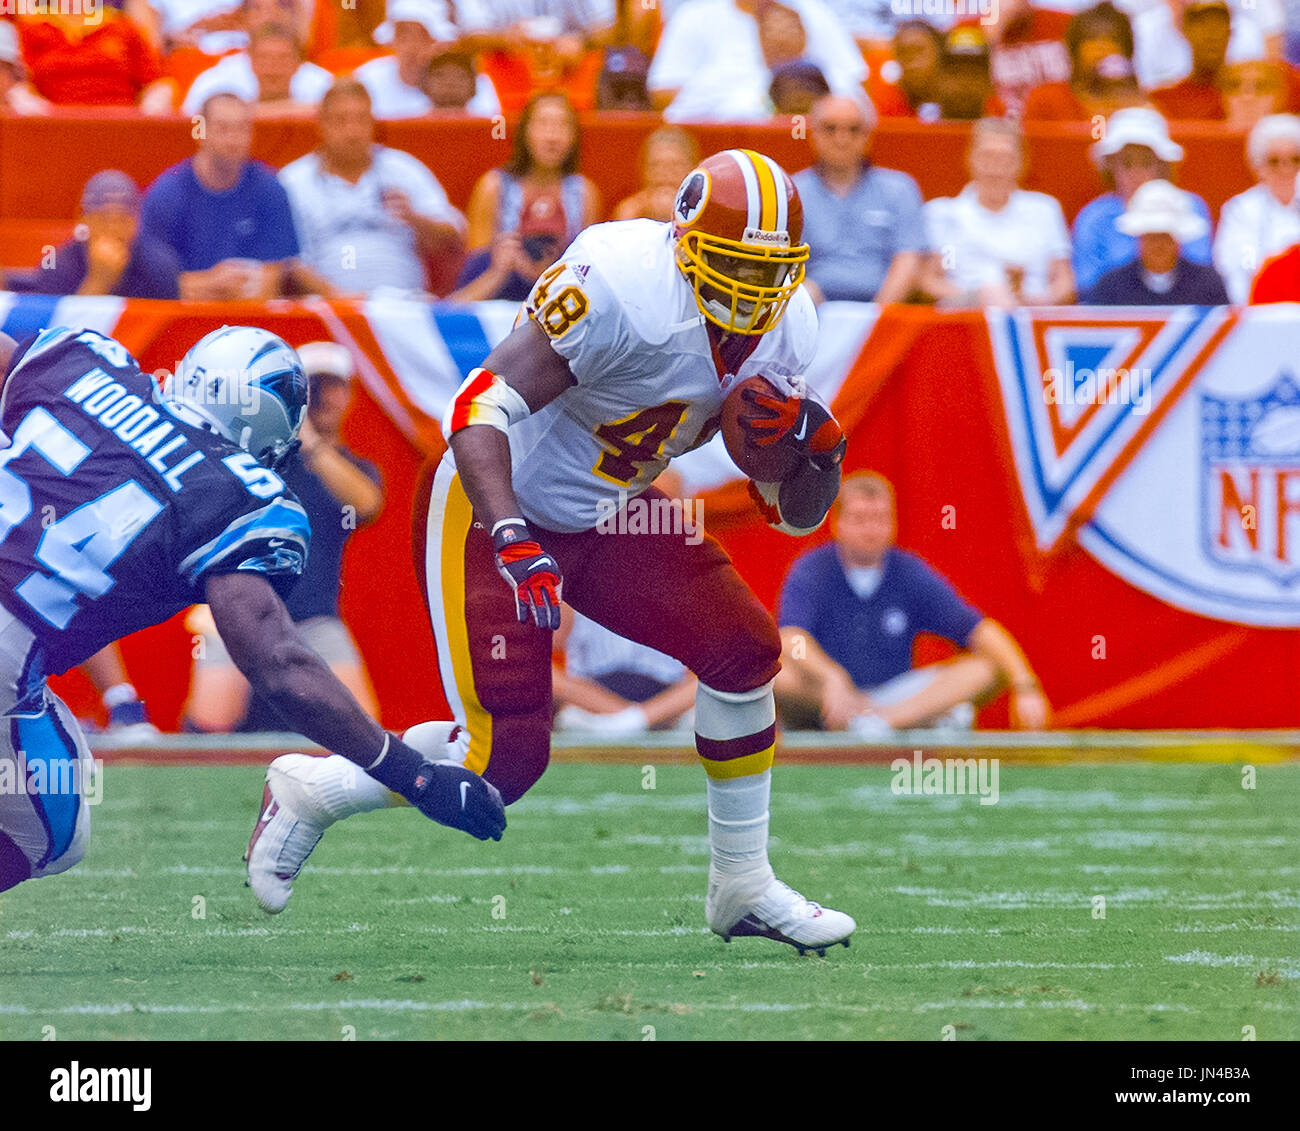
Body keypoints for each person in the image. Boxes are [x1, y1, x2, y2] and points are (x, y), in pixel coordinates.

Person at [247, 148, 859, 956]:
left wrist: (821, 455)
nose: (752, 294)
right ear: (685, 245)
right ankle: (314, 789)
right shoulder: (619, 283)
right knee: (503, 763)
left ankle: (741, 882)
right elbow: (475, 407)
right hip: (492, 497)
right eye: (735, 267)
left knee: (745, 649)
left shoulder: (789, 327)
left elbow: (790, 516)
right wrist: (510, 534)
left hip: (610, 507)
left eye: (767, 272)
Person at [0, 323, 504, 895]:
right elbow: (277, 664)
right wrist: (412, 778)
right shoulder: (242, 498)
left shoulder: (86, 361)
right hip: (8, 652)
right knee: (49, 834)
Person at [184, 341, 383, 732]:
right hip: (239, 609)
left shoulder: (352, 468)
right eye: (313, 387)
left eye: (333, 386)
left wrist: (312, 445)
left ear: (349, 394)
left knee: (364, 724)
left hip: (313, 618)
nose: (325, 398)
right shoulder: (258, 453)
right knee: (209, 722)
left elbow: (366, 506)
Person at [775, 472, 1050, 734]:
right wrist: (830, 677)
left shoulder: (909, 572)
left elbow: (977, 629)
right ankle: (911, 723)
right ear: (838, 524)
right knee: (776, 674)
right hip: (827, 695)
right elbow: (791, 639)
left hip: (894, 698)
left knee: (987, 667)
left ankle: (882, 726)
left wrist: (1025, 684)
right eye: (860, 519)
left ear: (893, 523)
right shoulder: (812, 569)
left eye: (880, 518)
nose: (871, 529)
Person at [278, 80, 467, 295]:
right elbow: (287, 262)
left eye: (361, 120)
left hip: (406, 304)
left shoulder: (403, 169)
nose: (353, 131)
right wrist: (339, 299)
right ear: (321, 124)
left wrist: (416, 219)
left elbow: (457, 236)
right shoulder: (294, 181)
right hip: (330, 310)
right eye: (341, 121)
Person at [141, 93, 328, 301]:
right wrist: (211, 282)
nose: (233, 139)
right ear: (200, 131)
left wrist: (226, 289)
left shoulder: (269, 189)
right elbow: (152, 282)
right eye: (223, 129)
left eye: (242, 129)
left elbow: (272, 278)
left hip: (251, 315)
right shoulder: (167, 193)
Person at [455, 91, 601, 302]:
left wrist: (551, 271)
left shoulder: (584, 192)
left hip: (560, 301)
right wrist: (506, 263)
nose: (552, 136)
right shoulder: (494, 186)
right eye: (542, 124)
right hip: (499, 296)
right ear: (524, 132)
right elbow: (476, 267)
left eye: (562, 126)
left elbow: (589, 271)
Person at [920, 117, 1075, 306]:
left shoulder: (1044, 210)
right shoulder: (945, 214)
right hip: (966, 315)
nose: (995, 168)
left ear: (1022, 162)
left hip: (1032, 314)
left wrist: (1037, 300)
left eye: (1005, 159)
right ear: (970, 158)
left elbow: (1064, 281)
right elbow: (932, 279)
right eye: (986, 157)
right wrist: (978, 297)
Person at [793, 93, 925, 304]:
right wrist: (802, 304)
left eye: (853, 129)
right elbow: (783, 265)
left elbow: (908, 259)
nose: (841, 139)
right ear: (813, 134)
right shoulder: (792, 192)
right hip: (810, 306)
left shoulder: (900, 189)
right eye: (830, 128)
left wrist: (875, 319)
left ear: (868, 136)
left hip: (882, 311)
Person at [1072, 107, 1216, 293]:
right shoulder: (1094, 217)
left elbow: (1200, 274)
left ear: (1162, 166)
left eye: (1146, 163)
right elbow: (1087, 285)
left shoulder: (1190, 207)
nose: (1136, 174)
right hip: (1114, 316)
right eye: (1127, 163)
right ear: (1111, 167)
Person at [4, 172, 180, 301]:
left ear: (136, 221)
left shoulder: (160, 266)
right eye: (103, 220)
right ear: (85, 220)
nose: (113, 229)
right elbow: (52, 338)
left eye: (123, 220)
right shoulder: (57, 266)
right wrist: (98, 282)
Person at [1083, 179, 1232, 304]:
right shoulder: (1111, 287)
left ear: (1178, 239)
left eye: (1165, 236)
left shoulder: (1208, 285)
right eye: (1151, 237)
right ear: (1138, 238)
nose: (1158, 245)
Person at [355, 0, 501, 119]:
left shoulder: (474, 82)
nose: (411, 46)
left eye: (423, 36)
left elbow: (488, 136)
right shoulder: (368, 79)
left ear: (439, 42)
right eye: (403, 35)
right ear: (392, 40)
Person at [1211, 114, 1300, 301]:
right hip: (1260, 308)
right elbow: (1238, 265)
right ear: (1259, 166)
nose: (1286, 169)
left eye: (1295, 159)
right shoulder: (1242, 210)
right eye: (1275, 161)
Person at [1022, 2, 1144, 122]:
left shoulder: (1135, 103)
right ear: (1074, 52)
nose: (1101, 51)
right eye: (1092, 41)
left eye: (1112, 41)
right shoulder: (1046, 99)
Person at [181, 21, 333, 115]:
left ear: (298, 63)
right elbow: (193, 122)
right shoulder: (216, 82)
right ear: (250, 61)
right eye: (264, 58)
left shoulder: (321, 84)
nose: (273, 69)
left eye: (282, 59)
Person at [610, 127, 699, 222]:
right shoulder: (630, 210)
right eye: (656, 166)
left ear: (693, 169)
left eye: (675, 166)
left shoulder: (706, 210)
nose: (666, 174)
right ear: (643, 170)